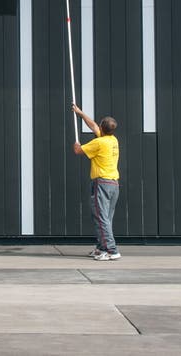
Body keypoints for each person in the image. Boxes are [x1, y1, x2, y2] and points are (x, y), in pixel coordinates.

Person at [72, 104, 121, 261]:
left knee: (101, 218)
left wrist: (77, 146)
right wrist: (80, 113)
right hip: (113, 184)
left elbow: (78, 151)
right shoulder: (112, 140)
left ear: (102, 128)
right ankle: (101, 248)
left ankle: (112, 250)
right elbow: (93, 125)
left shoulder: (99, 143)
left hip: (102, 183)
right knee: (105, 218)